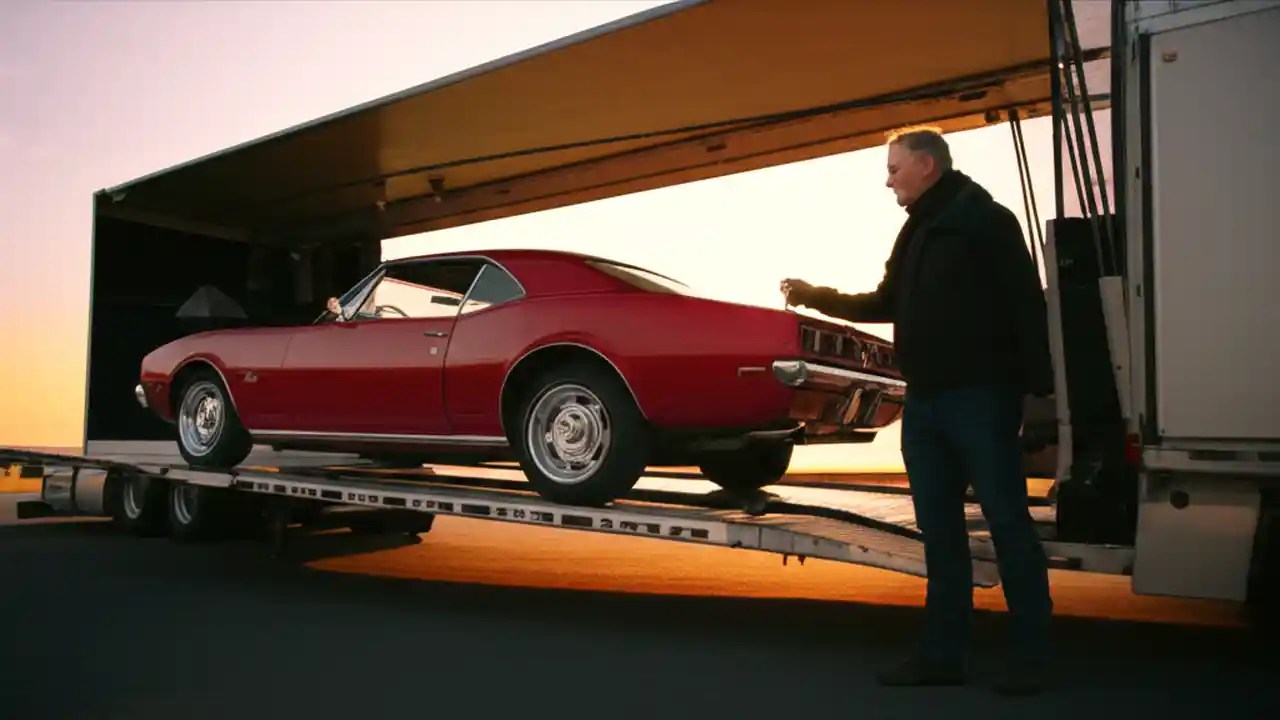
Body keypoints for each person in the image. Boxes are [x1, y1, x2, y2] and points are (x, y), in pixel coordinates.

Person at [780, 127, 1055, 696]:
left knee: (1008, 525)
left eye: (894, 167)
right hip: (926, 403)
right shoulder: (918, 230)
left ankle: (1033, 660)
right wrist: (815, 294)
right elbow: (886, 301)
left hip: (981, 398)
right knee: (940, 532)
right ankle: (941, 656)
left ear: (926, 165)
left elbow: (1029, 309)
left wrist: (1040, 398)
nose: (888, 179)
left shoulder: (987, 223)